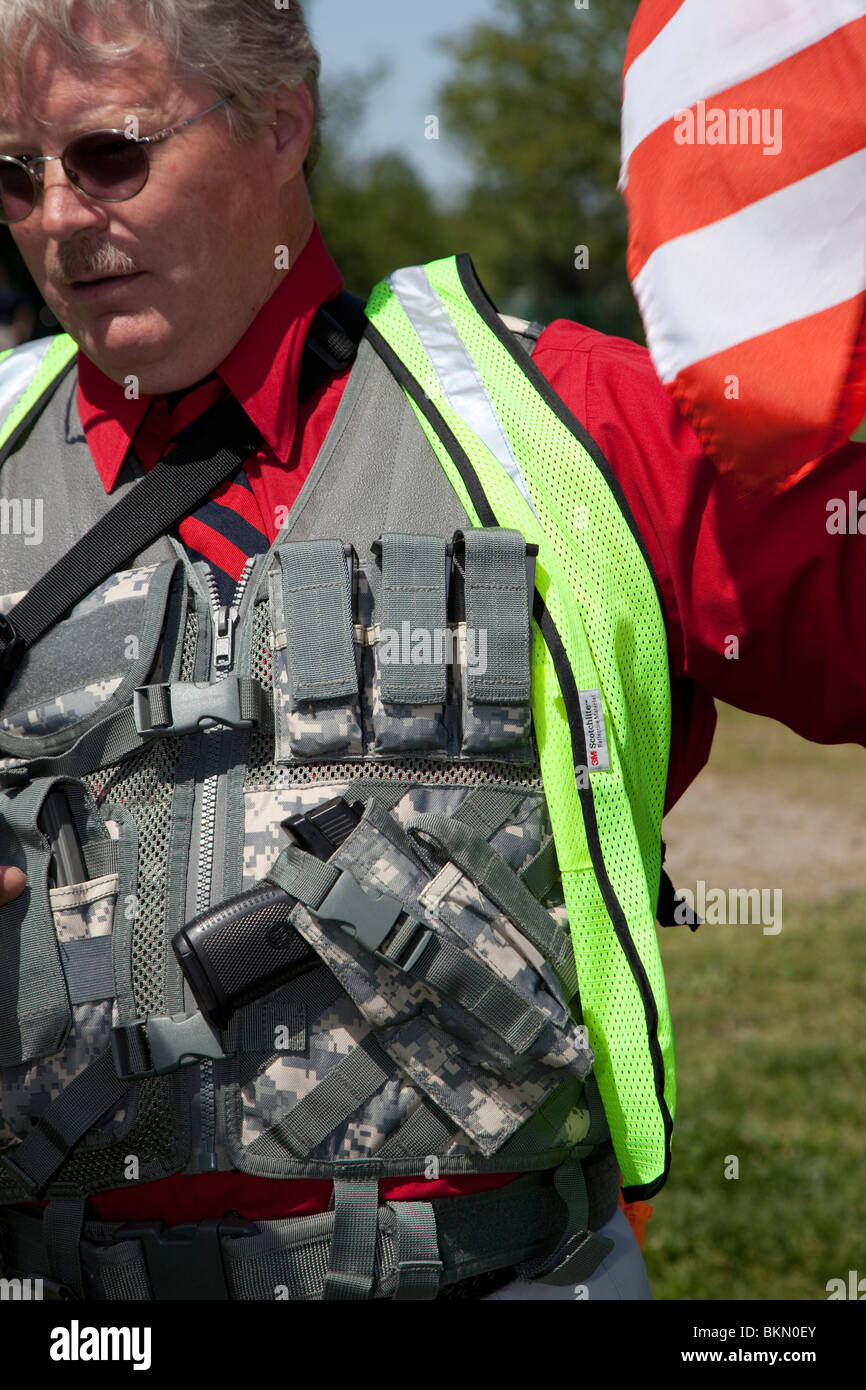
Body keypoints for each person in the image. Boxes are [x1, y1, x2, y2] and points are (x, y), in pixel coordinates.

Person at [0, 0, 862, 1304]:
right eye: (11, 176)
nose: (57, 217)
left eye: (110, 156)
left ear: (276, 122)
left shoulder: (568, 424)